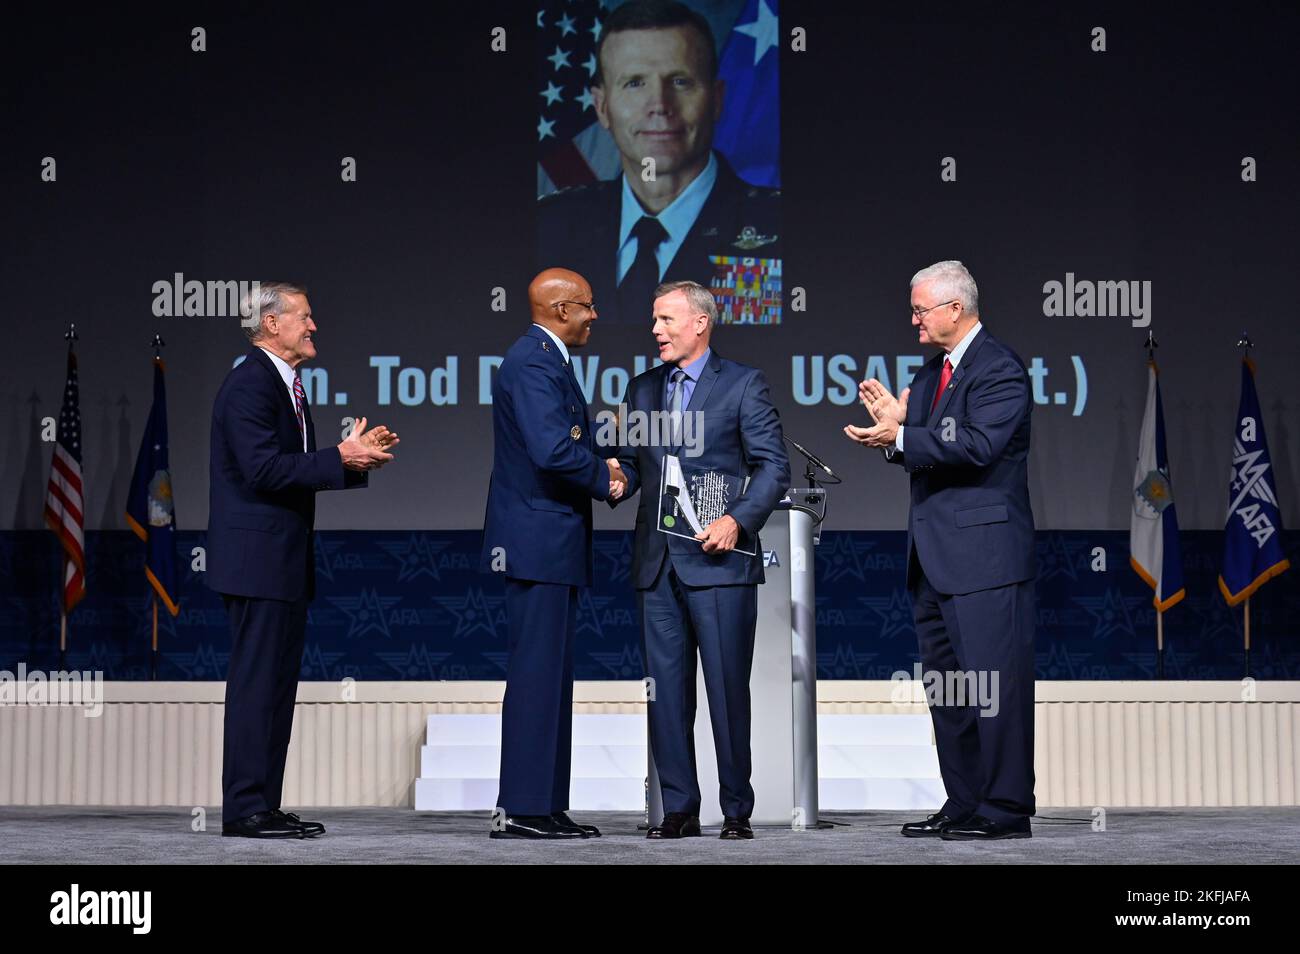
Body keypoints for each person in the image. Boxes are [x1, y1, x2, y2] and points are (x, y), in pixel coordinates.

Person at [844, 261, 1037, 841]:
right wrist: (896, 431)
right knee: (952, 692)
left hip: (986, 559)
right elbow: (925, 450)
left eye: (921, 309)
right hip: (931, 559)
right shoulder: (931, 375)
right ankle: (964, 802)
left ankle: (1005, 810)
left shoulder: (1000, 369)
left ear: (956, 308)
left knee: (994, 690)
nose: (914, 320)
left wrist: (903, 434)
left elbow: (978, 446)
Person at [208, 282, 397, 839]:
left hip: (280, 562)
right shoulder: (249, 384)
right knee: (256, 686)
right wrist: (338, 456)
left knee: (275, 688)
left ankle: (263, 803)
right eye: (305, 317)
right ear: (272, 323)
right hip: (255, 561)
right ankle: (244, 809)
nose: (314, 326)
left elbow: (291, 469)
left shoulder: (283, 384)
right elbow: (264, 470)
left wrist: (351, 462)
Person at [609, 279, 789, 839]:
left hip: (719, 560)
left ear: (699, 323)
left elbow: (773, 467)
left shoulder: (742, 385)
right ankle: (680, 808)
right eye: (654, 320)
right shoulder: (641, 390)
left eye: (665, 320)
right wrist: (614, 476)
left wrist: (737, 519)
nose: (655, 330)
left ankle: (736, 810)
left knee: (727, 690)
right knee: (666, 693)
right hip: (657, 563)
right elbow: (639, 468)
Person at [479, 268, 627, 839]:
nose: (595, 316)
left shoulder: (546, 357)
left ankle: (542, 803)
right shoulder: (534, 361)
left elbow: (562, 442)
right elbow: (549, 451)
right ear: (562, 310)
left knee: (551, 678)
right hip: (537, 542)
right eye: (588, 306)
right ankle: (520, 808)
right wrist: (607, 478)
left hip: (550, 542)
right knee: (537, 677)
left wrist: (604, 449)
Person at [538, 0, 781, 325]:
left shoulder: (779, 226)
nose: (660, 105)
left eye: (680, 81)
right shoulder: (549, 228)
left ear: (717, 99)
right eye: (635, 83)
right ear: (602, 107)